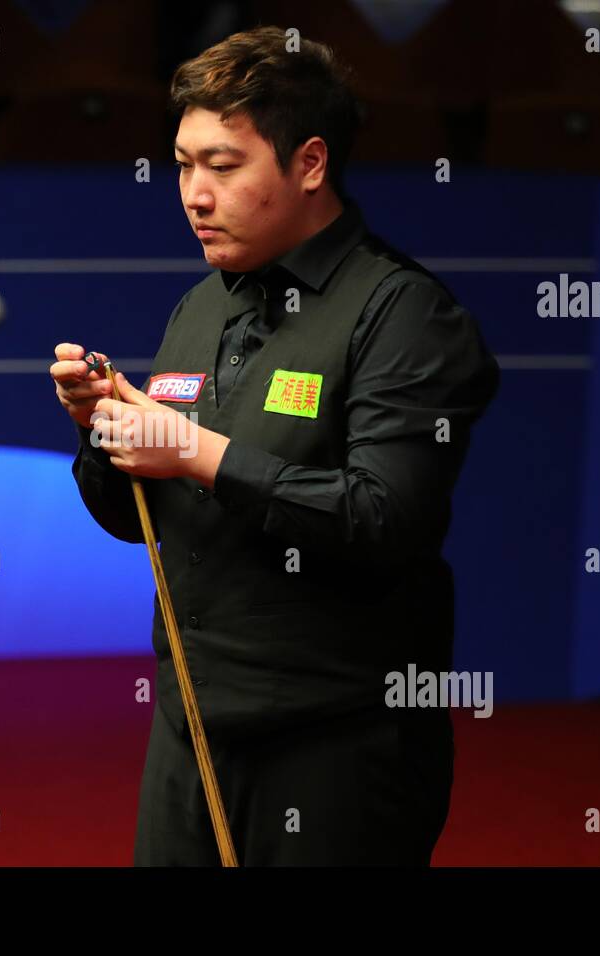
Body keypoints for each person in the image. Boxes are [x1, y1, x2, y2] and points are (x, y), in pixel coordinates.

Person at [50, 26, 499, 866]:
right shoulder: (200, 308)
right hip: (190, 732)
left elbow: (382, 520)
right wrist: (102, 433)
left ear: (311, 164)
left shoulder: (404, 316)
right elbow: (138, 518)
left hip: (339, 748)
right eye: (183, 164)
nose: (193, 193)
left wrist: (195, 451)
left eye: (223, 166)